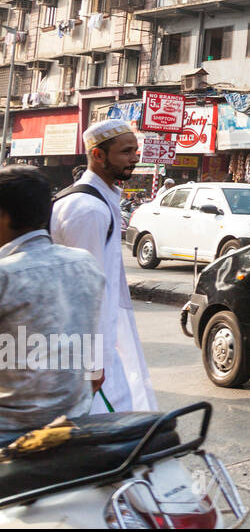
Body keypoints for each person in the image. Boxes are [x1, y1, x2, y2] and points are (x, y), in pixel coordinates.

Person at [48, 119, 156, 414]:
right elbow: (84, 293)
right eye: (126, 151)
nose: (135, 157)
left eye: (136, 150)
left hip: (101, 347)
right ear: (98, 155)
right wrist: (92, 363)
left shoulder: (99, 200)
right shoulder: (87, 209)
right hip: (87, 356)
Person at [0, 167, 107, 432]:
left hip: (12, 428)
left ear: (2, 216)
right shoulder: (85, 263)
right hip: (74, 420)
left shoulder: (6, 274)